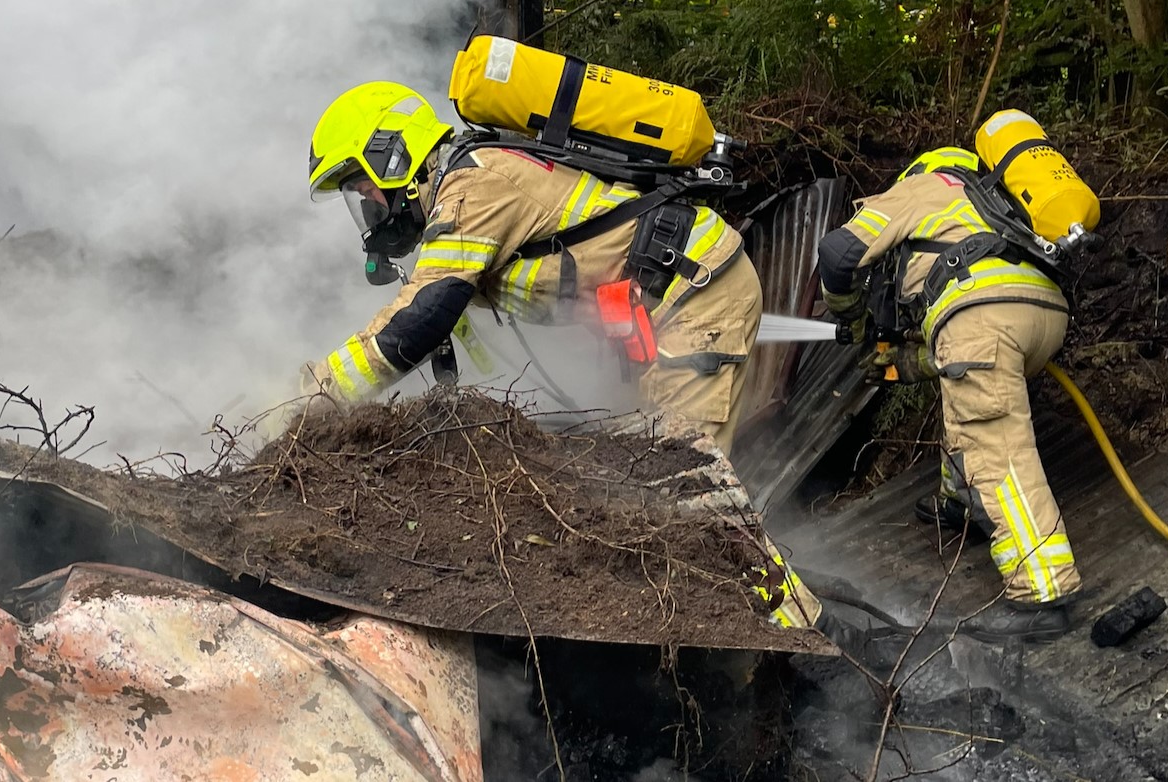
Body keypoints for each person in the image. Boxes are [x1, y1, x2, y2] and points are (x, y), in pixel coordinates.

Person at [299, 81, 818, 628]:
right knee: (644, 479)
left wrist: (316, 396)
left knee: (680, 485)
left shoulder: (472, 187)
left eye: (362, 189)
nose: (368, 211)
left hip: (697, 293)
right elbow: (446, 327)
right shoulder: (466, 183)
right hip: (667, 303)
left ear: (392, 155)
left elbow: (422, 316)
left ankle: (796, 631)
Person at [814, 145, 1080, 643]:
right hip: (1042, 315)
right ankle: (960, 504)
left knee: (996, 448)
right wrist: (907, 364)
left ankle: (1045, 591)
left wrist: (850, 320)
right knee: (972, 407)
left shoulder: (926, 188)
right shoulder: (987, 204)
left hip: (982, 317)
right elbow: (959, 353)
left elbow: (838, 252)